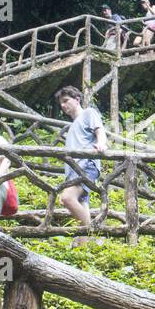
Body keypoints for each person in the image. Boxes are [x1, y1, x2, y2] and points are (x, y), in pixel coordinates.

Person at [55, 85, 107, 245]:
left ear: (77, 100)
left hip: (86, 165)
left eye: (66, 101)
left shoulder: (88, 113)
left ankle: (94, 233)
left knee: (67, 198)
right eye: (61, 103)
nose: (63, 106)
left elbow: (100, 130)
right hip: (74, 170)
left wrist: (101, 143)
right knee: (81, 205)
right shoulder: (73, 126)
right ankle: (84, 246)